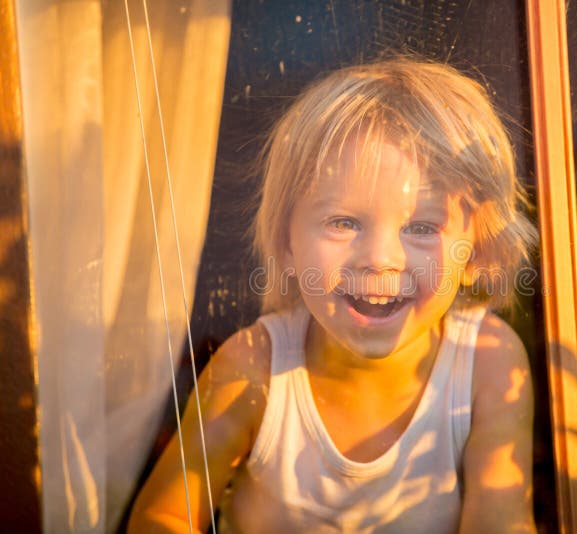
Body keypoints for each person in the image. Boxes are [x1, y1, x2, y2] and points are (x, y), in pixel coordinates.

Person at [129, 57, 538, 533]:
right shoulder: (255, 366)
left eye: (423, 227)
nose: (380, 258)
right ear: (287, 242)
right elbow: (163, 515)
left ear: (478, 248)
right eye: (343, 222)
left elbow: (501, 522)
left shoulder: (487, 361)